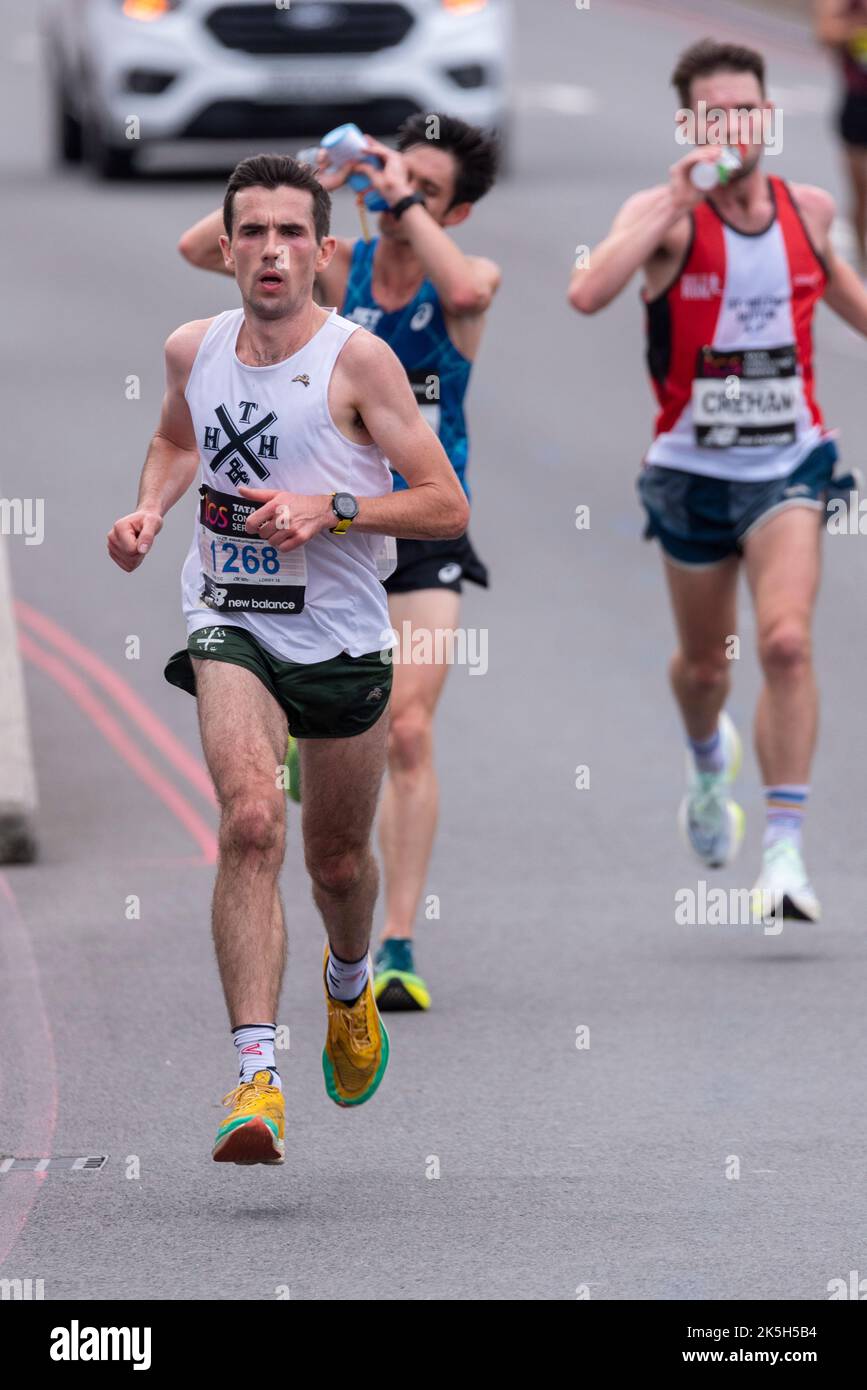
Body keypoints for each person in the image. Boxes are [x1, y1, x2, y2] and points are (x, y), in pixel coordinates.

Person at [108, 154, 468, 1164]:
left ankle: (349, 987)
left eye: (291, 232)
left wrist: (335, 507)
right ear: (225, 250)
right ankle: (257, 1079)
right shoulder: (194, 347)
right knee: (254, 820)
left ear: (323, 250)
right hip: (231, 618)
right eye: (253, 232)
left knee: (337, 860)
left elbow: (447, 504)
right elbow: (177, 438)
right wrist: (149, 508)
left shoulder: (360, 364)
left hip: (345, 636)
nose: (271, 249)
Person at [179, 114, 500, 1009]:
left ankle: (392, 942)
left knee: (404, 728)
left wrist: (398, 189)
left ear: (454, 210)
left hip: (415, 536)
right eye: (394, 188)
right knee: (270, 804)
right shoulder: (329, 260)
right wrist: (315, 170)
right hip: (292, 543)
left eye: (427, 193)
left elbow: (468, 291)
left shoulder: (460, 278)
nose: (399, 204)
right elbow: (203, 246)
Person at [568, 38, 865, 923]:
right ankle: (706, 761)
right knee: (705, 666)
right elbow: (586, 294)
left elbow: (853, 305)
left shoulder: (806, 210)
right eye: (714, 113)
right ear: (690, 124)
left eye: (746, 108)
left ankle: (782, 855)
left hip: (789, 465)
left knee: (783, 643)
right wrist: (673, 195)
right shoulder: (661, 215)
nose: (734, 125)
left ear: (767, 115)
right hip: (691, 473)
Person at [816, 0, 867, 274]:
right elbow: (826, 32)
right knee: (862, 192)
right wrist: (857, 29)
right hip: (859, 102)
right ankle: (863, 261)